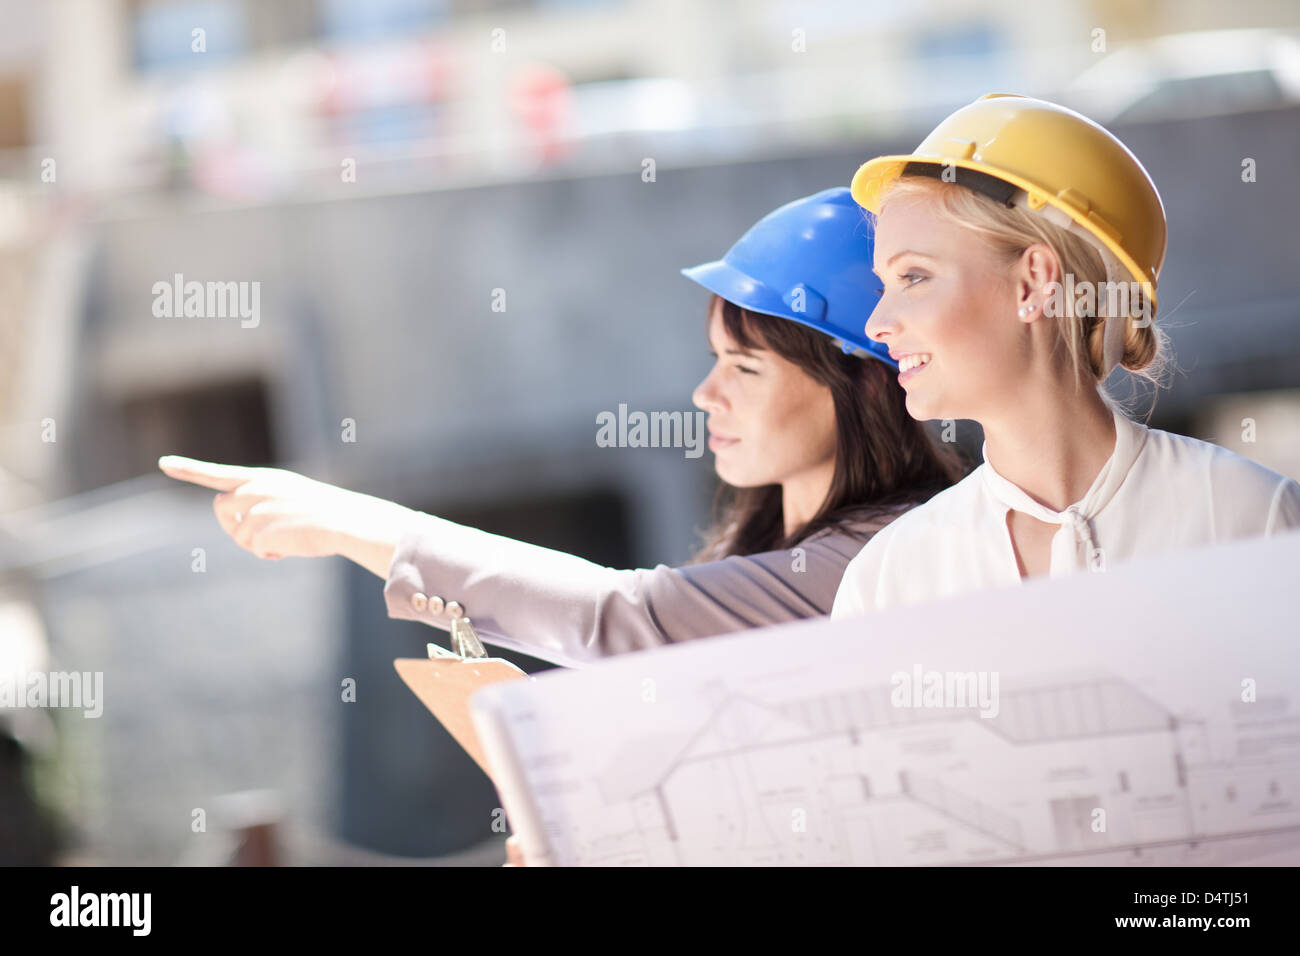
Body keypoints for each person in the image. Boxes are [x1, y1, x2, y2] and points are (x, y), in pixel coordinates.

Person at [160, 188, 965, 667]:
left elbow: (620, 618)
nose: (705, 394)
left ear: (863, 386)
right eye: (715, 358)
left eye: (746, 369)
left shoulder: (887, 555)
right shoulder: (774, 553)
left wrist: (359, 523)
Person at [831, 93, 1300, 617]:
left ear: (1033, 281)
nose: (877, 325)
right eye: (884, 287)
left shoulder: (1249, 518)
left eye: (913, 277)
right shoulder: (886, 582)